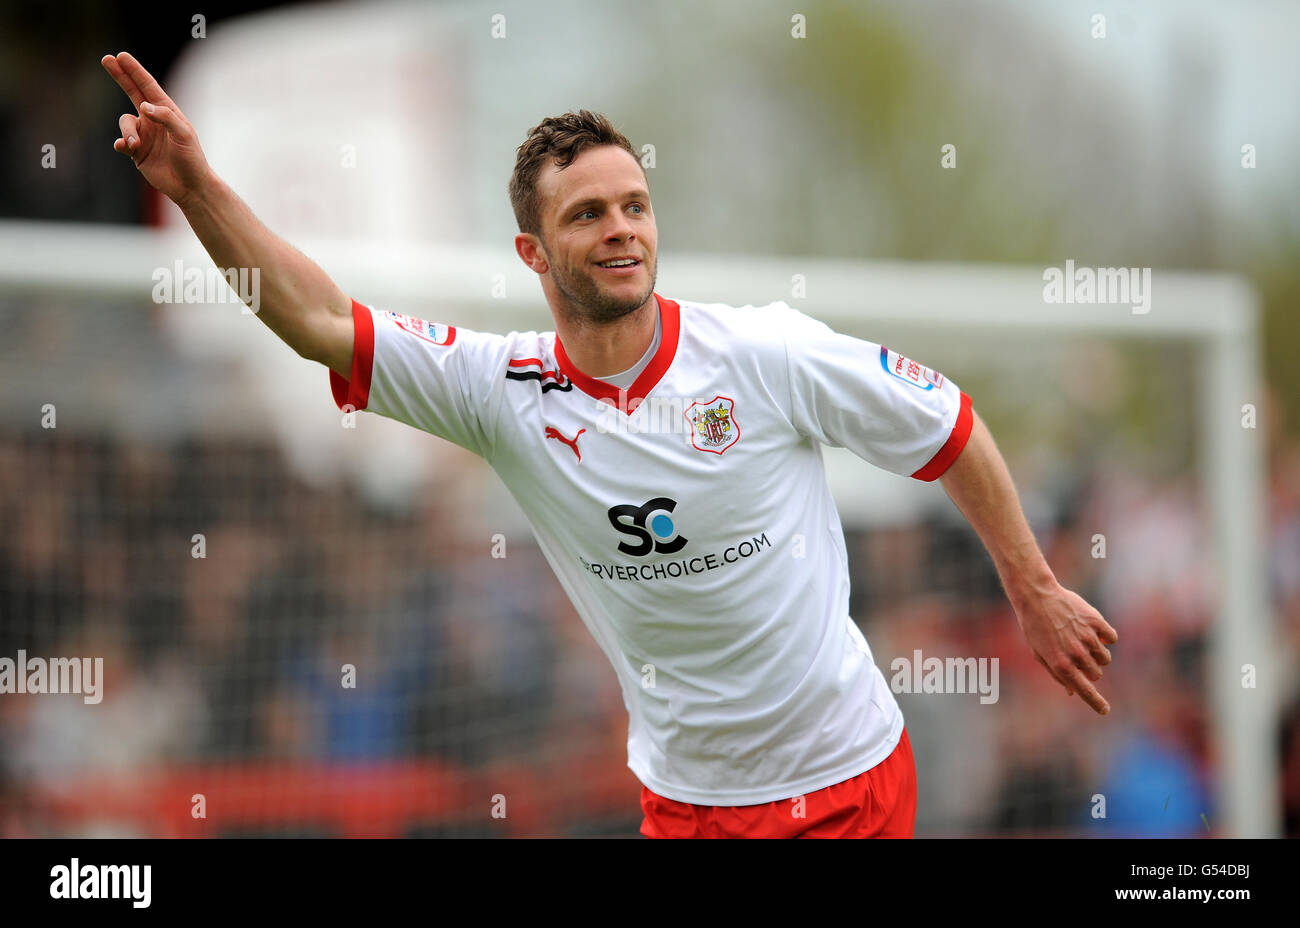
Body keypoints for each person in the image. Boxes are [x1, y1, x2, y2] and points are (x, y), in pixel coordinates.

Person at [102, 51, 1119, 838]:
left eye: (634, 205)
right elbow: (319, 321)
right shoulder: (499, 391)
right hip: (683, 801)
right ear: (533, 253)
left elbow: (947, 426)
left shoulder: (761, 354)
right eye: (588, 214)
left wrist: (1029, 588)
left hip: (844, 779)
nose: (622, 228)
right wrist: (195, 189)